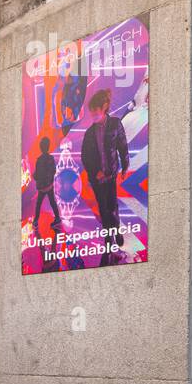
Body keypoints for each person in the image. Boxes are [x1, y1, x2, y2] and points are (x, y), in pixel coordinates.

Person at [79, 89, 130, 267]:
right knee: (103, 208)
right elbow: (85, 156)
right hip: (97, 179)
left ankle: (116, 230)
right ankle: (109, 238)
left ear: (104, 107)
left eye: (96, 112)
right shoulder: (89, 133)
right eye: (91, 113)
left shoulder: (115, 124)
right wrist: (95, 172)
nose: (93, 116)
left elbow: (123, 146)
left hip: (112, 173)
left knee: (112, 205)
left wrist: (125, 165)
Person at [32, 135, 63, 235]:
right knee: (52, 202)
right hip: (49, 186)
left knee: (38, 204)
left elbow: (36, 175)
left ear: (40, 147)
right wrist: (49, 182)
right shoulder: (51, 158)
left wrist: (36, 177)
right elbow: (53, 171)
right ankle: (57, 218)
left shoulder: (39, 160)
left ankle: (36, 221)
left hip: (42, 187)